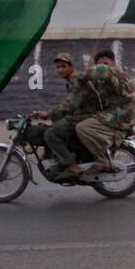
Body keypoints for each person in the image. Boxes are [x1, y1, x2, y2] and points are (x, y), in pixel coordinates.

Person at [32, 52, 98, 180]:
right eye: (58, 67)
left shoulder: (77, 80)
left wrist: (48, 113)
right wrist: (53, 115)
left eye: (63, 66)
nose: (60, 70)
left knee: (50, 134)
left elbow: (70, 105)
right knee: (56, 123)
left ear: (71, 66)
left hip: (88, 116)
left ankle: (72, 166)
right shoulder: (71, 80)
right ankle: (60, 157)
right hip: (81, 115)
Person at [74, 49, 135, 172]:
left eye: (106, 63)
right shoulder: (107, 79)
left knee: (83, 127)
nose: (103, 66)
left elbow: (99, 72)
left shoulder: (115, 72)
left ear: (113, 63)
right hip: (116, 114)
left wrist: (82, 74)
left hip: (120, 116)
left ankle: (102, 160)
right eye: (100, 64)